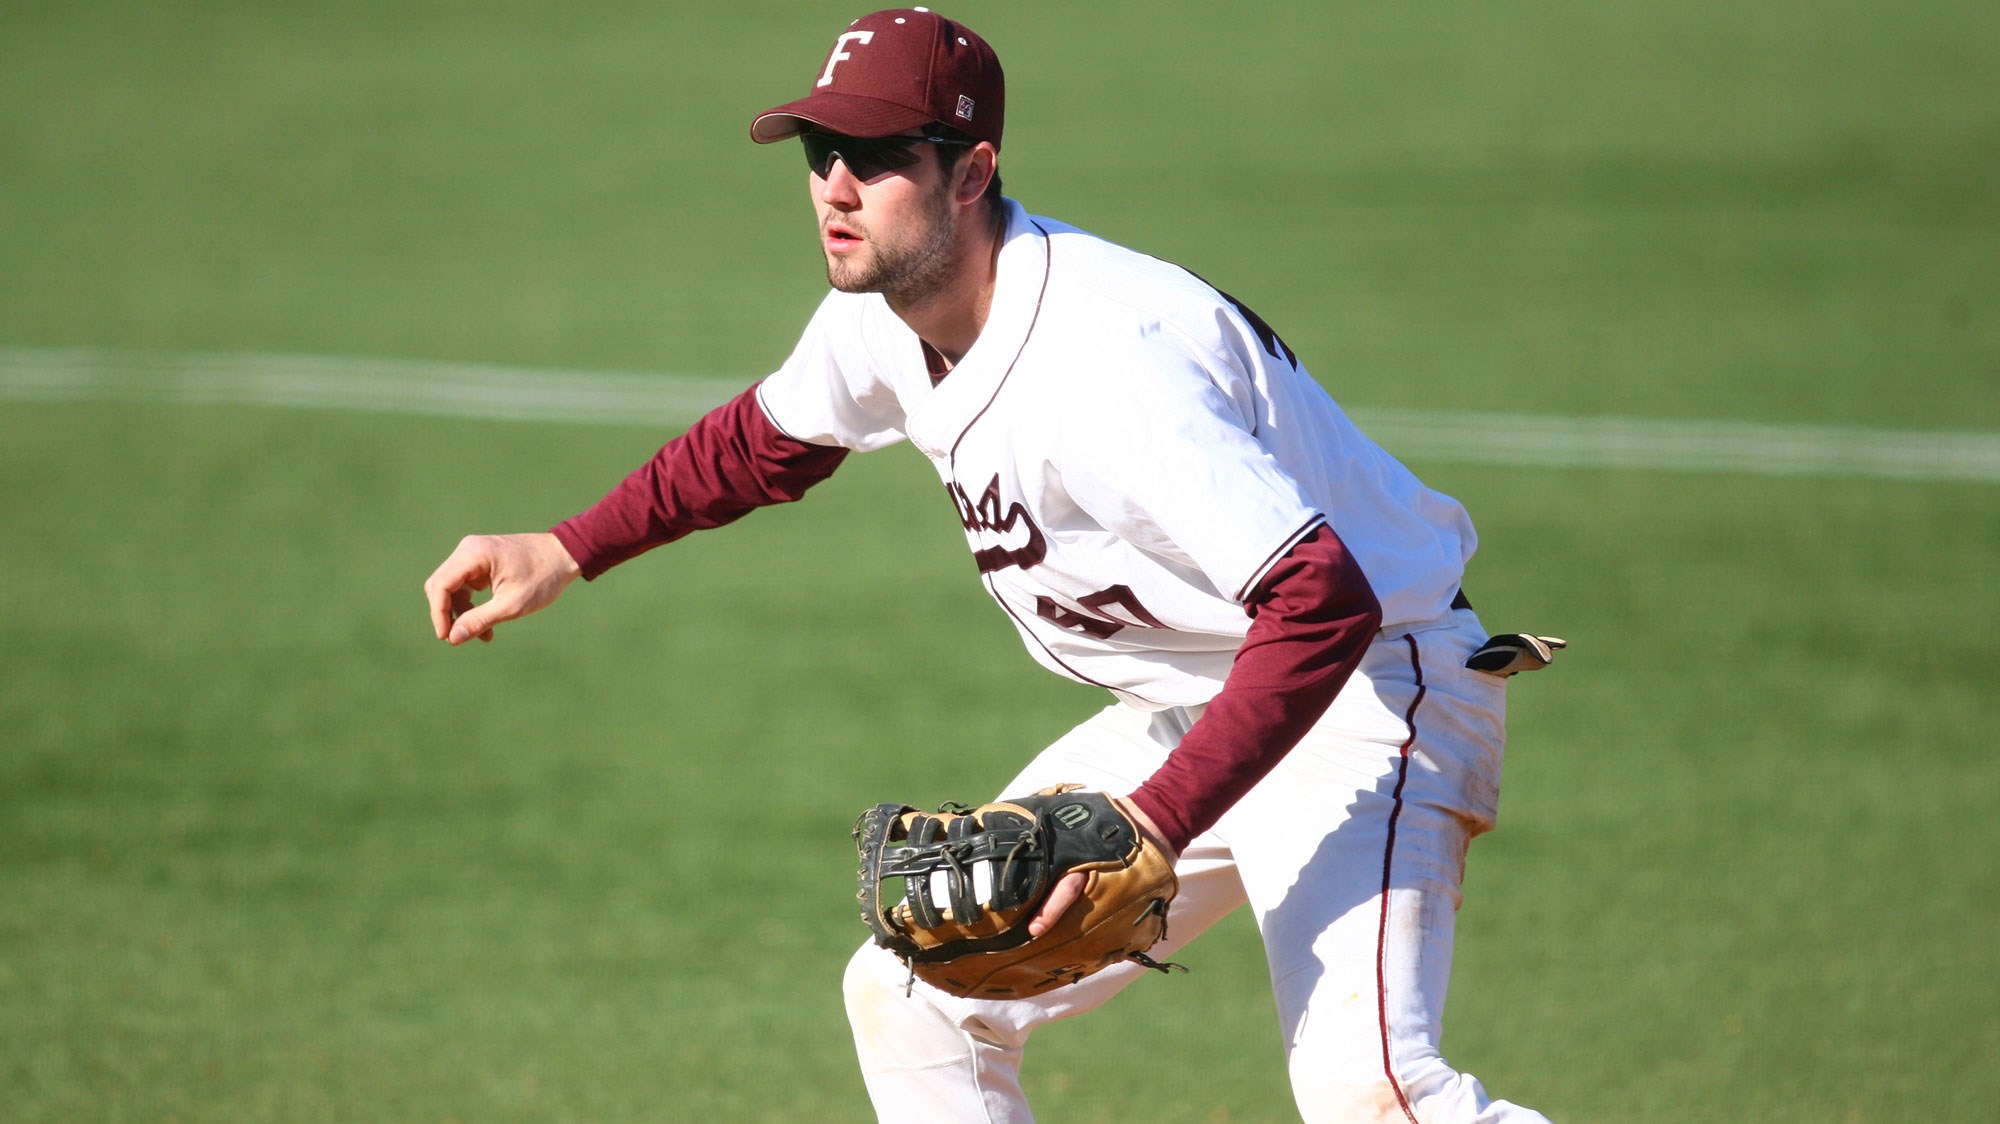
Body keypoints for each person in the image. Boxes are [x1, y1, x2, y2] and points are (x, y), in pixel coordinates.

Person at [423, 8, 1554, 1122]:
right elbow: (763, 443)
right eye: (821, 153)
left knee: (1374, 1098)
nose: (834, 185)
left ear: (970, 172)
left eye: (875, 155)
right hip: (1199, 695)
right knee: (909, 992)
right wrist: (566, 546)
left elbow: (1321, 600)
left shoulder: (1107, 361)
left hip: (1371, 690)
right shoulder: (883, 308)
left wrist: (1151, 820)